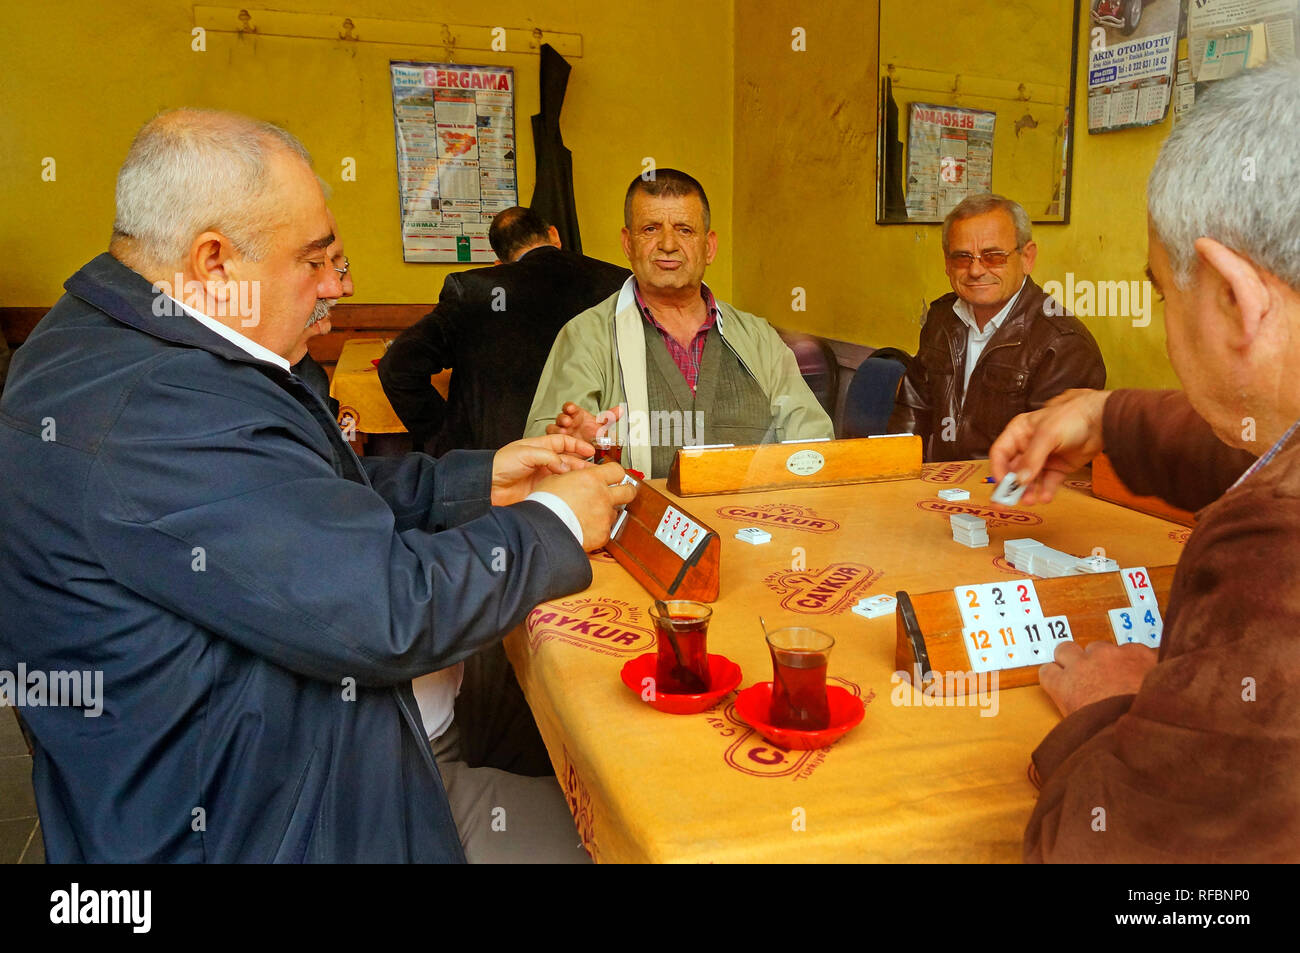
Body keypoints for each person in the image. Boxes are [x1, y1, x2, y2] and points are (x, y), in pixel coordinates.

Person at [0, 108, 635, 863]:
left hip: (310, 776)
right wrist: (557, 519)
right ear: (215, 263)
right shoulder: (161, 404)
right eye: (314, 260)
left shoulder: (107, 335)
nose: (342, 283)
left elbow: (293, 497)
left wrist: (475, 482)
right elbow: (388, 609)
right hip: (270, 827)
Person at [988, 63, 1300, 862]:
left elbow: (1097, 855)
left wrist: (1121, 704)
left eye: (1162, 292)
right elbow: (1263, 441)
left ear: (1233, 295)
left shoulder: (1274, 557)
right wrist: (1107, 417)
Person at [525, 169, 833, 478]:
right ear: (628, 243)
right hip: (629, 510)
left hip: (757, 510)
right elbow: (545, 461)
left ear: (709, 247)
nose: (668, 244)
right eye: (650, 229)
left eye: (684, 230)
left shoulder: (758, 338)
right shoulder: (585, 337)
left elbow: (813, 444)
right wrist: (579, 452)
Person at [378, 206, 629, 455]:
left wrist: (445, 439)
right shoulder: (619, 283)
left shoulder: (474, 289)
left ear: (498, 263)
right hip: (597, 452)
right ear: (554, 234)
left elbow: (397, 366)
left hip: (495, 459)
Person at [888, 194, 1106, 462]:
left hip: (1012, 484)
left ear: (1027, 258)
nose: (976, 270)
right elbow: (913, 407)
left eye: (993, 257)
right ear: (947, 263)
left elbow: (1047, 460)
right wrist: (896, 470)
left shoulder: (1063, 344)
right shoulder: (941, 318)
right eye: (962, 257)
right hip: (942, 482)